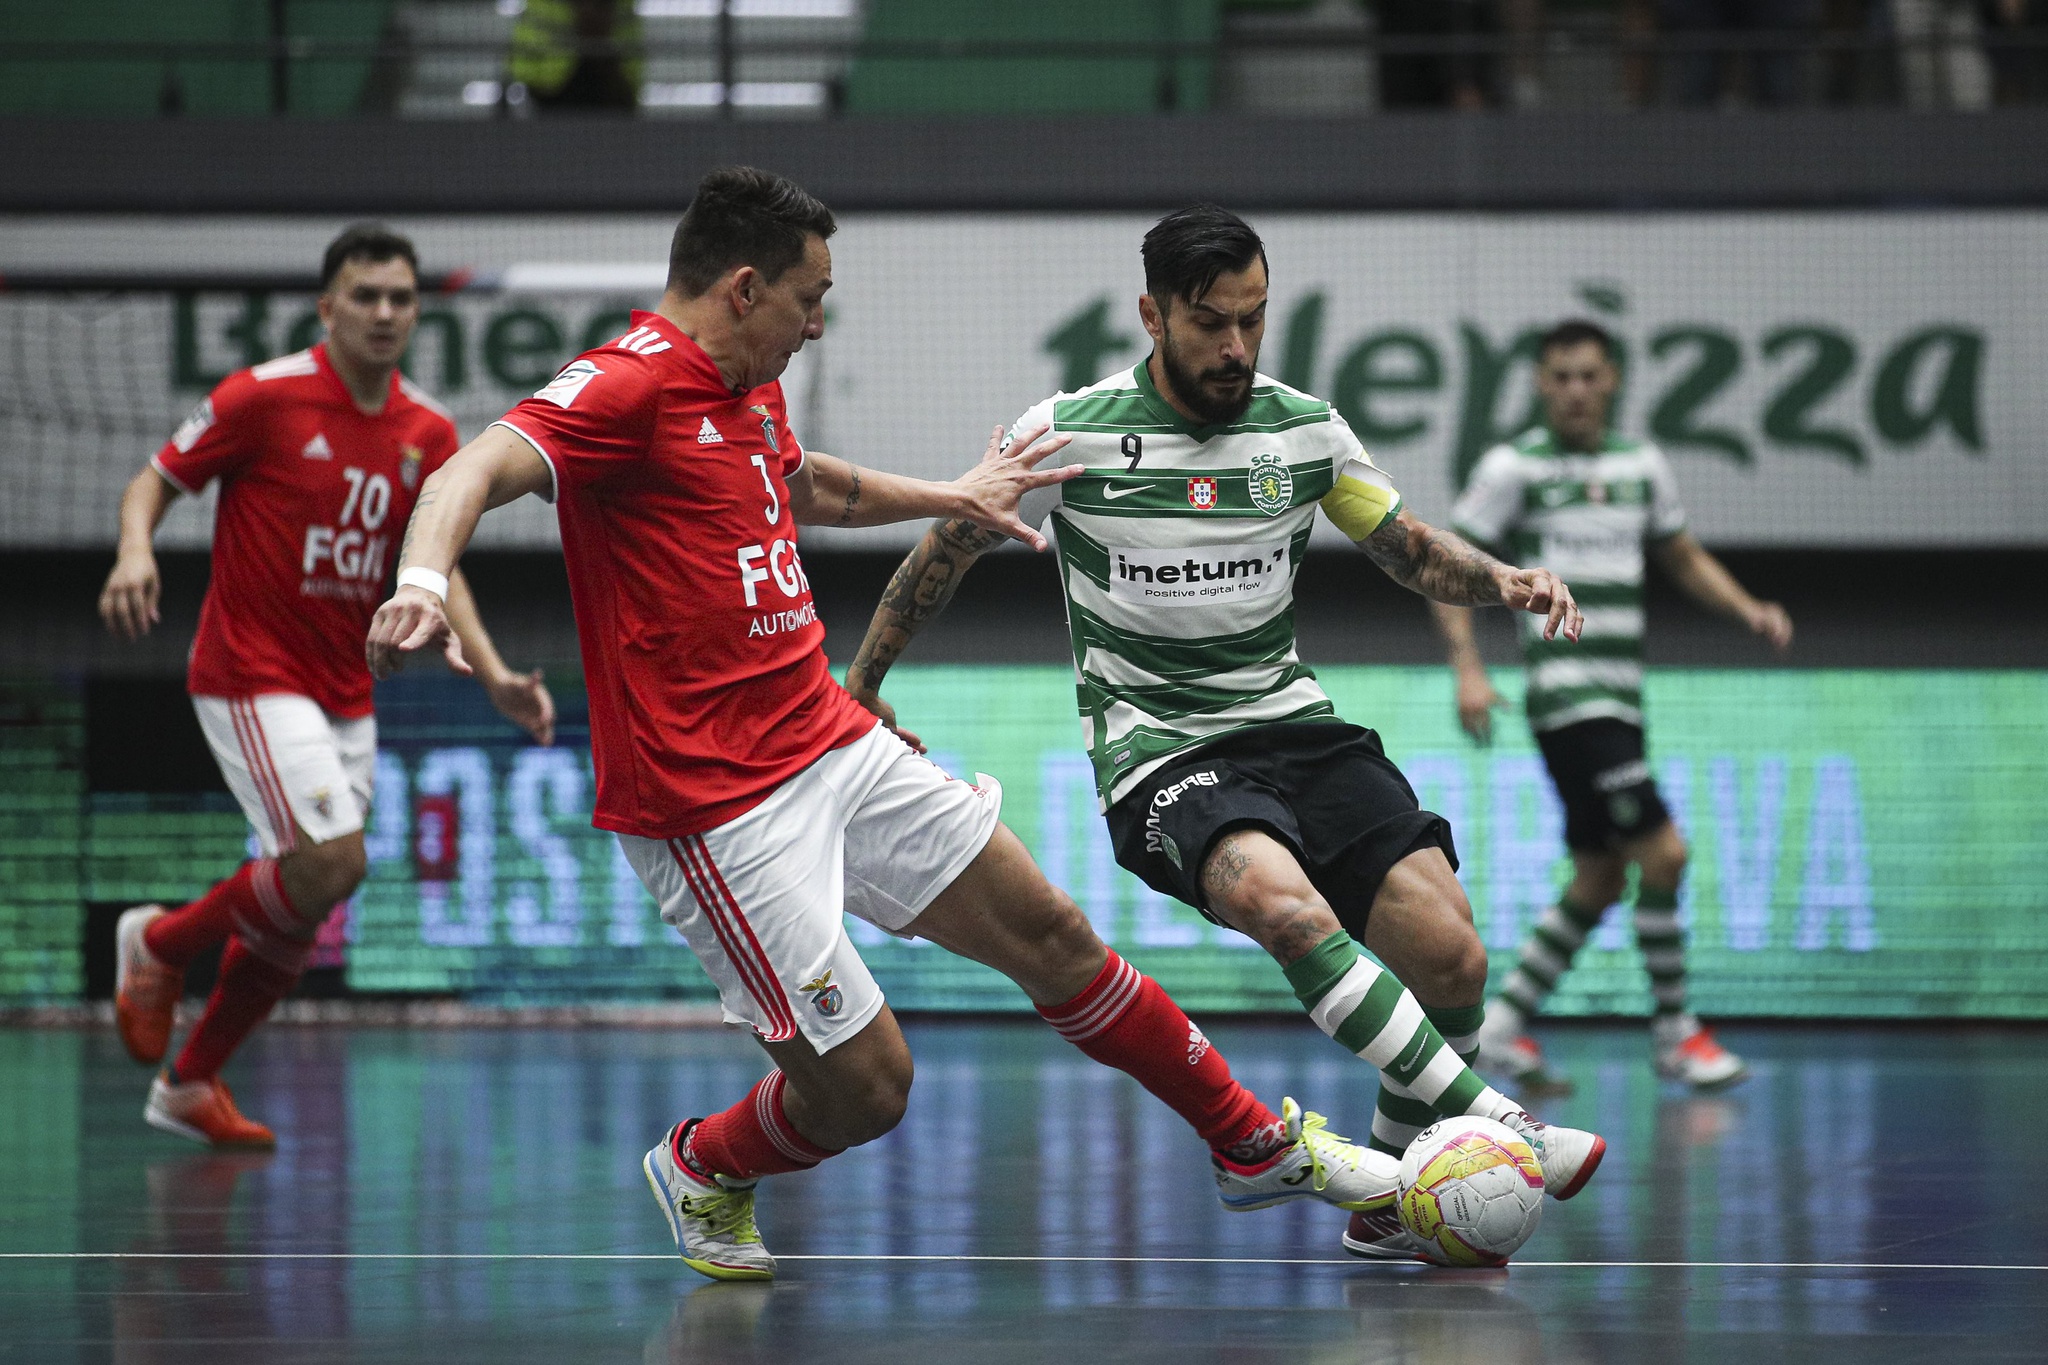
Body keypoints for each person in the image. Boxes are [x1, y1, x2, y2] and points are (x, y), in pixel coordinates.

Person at [366, 167, 1408, 1284]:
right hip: (713, 806)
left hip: (825, 736)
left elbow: (802, 483)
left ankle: (1250, 1143)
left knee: (1050, 934)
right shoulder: (624, 387)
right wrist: (424, 580)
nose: (818, 325)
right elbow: (472, 465)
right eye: (809, 300)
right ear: (743, 286)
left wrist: (949, 496)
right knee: (866, 1088)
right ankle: (703, 1162)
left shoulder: (745, 380)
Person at [843, 203, 1608, 1265]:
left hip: (1291, 726)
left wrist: (1502, 583)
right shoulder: (1065, 432)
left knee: (1451, 957)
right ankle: (1494, 1121)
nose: (1236, 347)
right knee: (1277, 905)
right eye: (1210, 323)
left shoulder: (1303, 429)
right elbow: (942, 554)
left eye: (1252, 318)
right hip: (1160, 752)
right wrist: (863, 683)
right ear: (1151, 314)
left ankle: (1388, 1207)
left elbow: (1406, 548)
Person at [99, 224, 555, 1148]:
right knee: (333, 862)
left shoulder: (426, 430)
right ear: (328, 305)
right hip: (250, 671)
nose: (385, 312)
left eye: (400, 297)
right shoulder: (259, 398)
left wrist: (497, 670)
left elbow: (437, 563)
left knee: (308, 902)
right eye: (366, 294)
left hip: (344, 688)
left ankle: (189, 1082)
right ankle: (161, 944)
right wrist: (135, 548)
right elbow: (154, 480)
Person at [1430, 318, 1793, 1094]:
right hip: (1570, 701)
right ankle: (1674, 1033)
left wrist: (1748, 607)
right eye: (1560, 375)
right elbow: (1449, 563)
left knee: (1599, 875)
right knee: (1664, 855)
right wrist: (1468, 667)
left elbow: (1683, 556)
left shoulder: (1641, 464)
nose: (1575, 389)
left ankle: (1500, 1027)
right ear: (1539, 383)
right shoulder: (1512, 466)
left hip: (1622, 700)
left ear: (1614, 380)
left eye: (1589, 374)